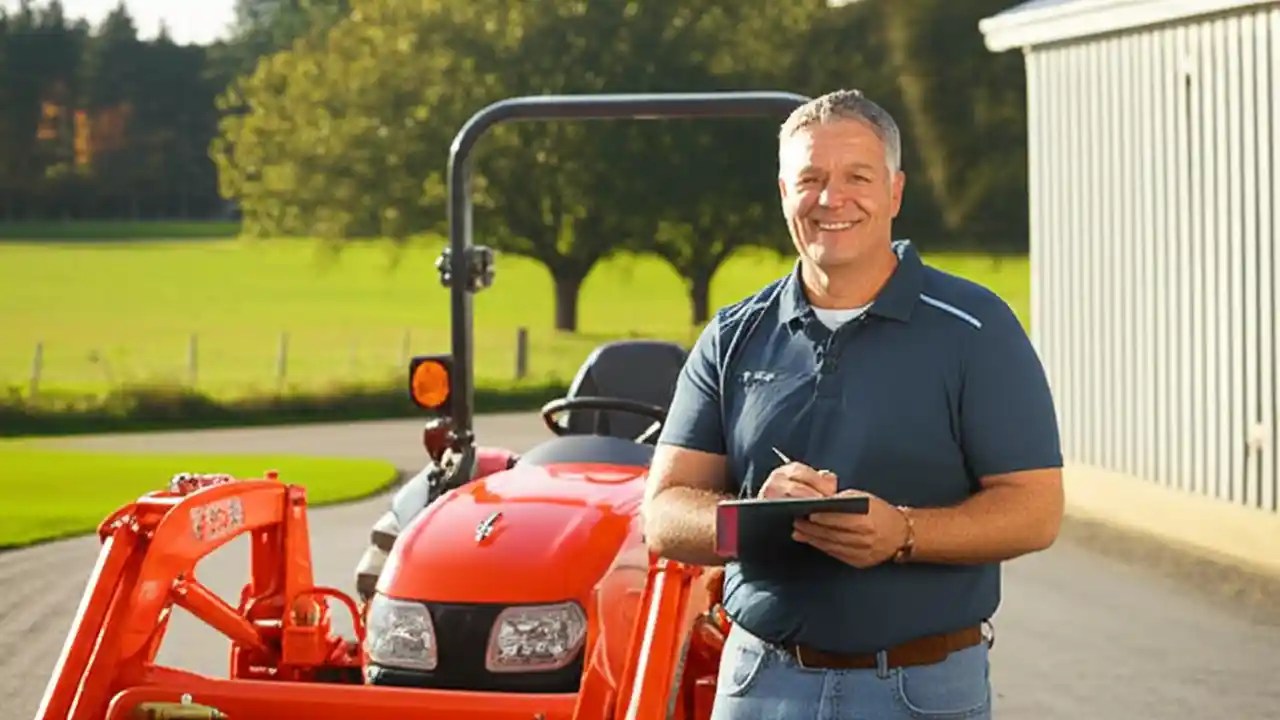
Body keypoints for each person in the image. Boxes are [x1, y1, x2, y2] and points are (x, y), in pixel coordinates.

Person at [641, 89, 1064, 719]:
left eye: (856, 177)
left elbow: (1036, 510)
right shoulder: (733, 336)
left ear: (894, 192)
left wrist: (905, 534)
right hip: (759, 683)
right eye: (809, 178)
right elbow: (664, 516)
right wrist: (754, 520)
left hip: (922, 691)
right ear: (784, 192)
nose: (831, 199)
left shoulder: (976, 329)